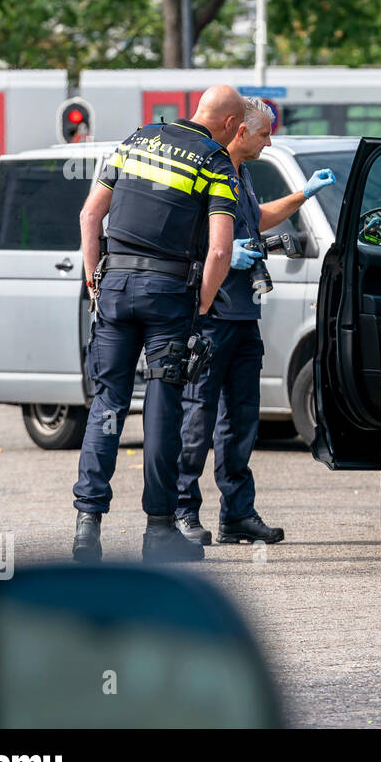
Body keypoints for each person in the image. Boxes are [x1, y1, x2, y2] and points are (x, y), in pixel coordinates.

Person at [71, 85, 244, 563]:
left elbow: (90, 214)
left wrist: (94, 281)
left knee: (107, 404)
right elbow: (220, 250)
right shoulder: (214, 161)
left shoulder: (134, 140)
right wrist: (203, 305)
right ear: (230, 125)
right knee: (163, 407)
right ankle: (160, 530)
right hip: (168, 297)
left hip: (116, 290)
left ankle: (88, 524)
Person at [173, 97, 338, 546]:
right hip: (211, 315)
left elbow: (257, 217)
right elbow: (188, 234)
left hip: (243, 315)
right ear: (239, 131)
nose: (270, 140)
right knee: (196, 419)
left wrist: (305, 194)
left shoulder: (240, 173)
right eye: (265, 132)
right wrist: (221, 258)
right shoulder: (207, 169)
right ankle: (182, 514)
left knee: (241, 420)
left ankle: (237, 515)